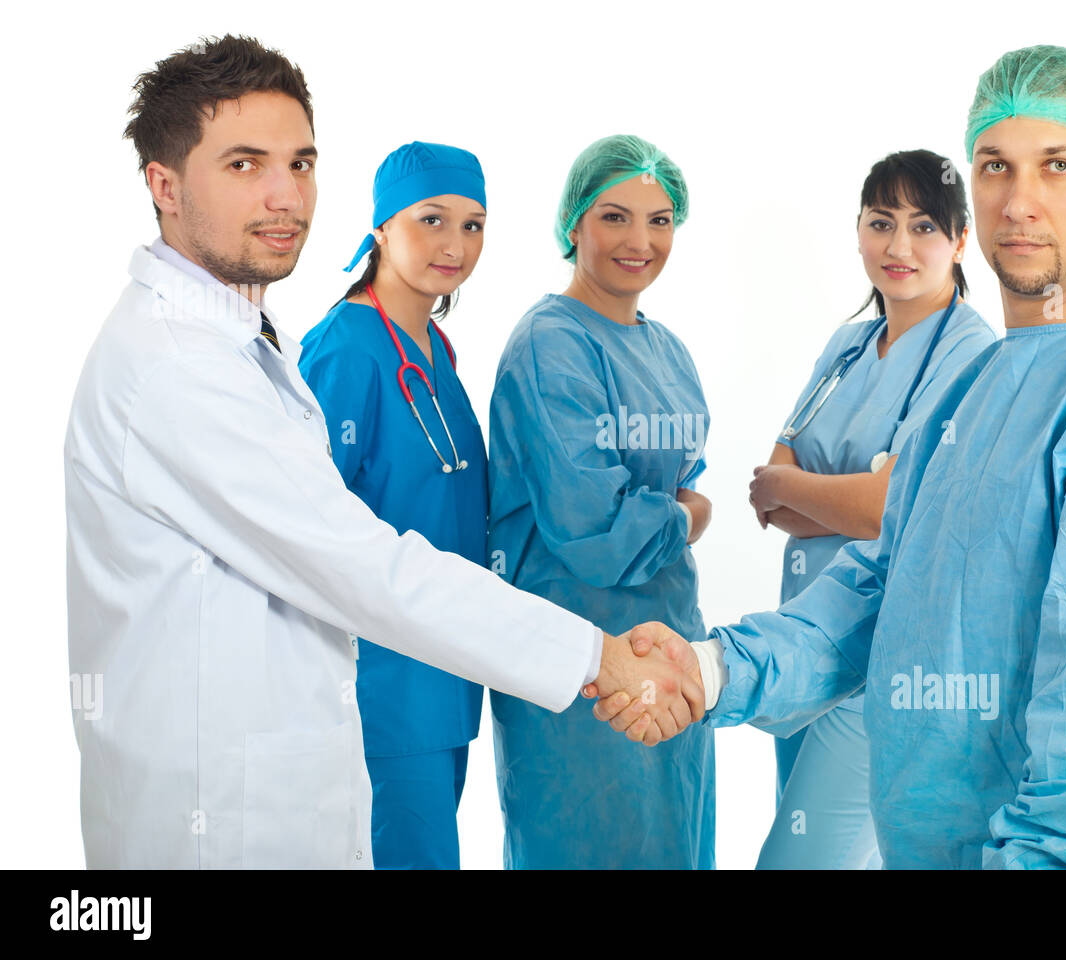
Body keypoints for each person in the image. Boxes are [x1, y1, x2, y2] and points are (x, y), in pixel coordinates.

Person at [590, 45, 1066, 870]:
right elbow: (883, 586)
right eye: (995, 167)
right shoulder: (978, 385)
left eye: (1058, 167)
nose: (1019, 203)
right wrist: (714, 668)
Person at [64, 35, 702, 870]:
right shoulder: (180, 370)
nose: (285, 195)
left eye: (301, 163)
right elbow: (360, 563)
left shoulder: (248, 343)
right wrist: (594, 654)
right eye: (245, 165)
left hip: (377, 715)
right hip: (229, 804)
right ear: (165, 185)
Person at [748, 150, 996, 869]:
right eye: (880, 222)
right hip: (803, 641)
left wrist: (827, 491)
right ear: (857, 230)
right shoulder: (847, 346)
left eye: (923, 226)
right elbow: (772, 489)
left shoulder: (973, 355)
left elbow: (892, 508)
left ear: (957, 239)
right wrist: (853, 494)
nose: (898, 246)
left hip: (884, 664)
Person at [488, 134, 715, 868]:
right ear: (573, 225)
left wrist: (675, 510)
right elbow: (595, 529)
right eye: (615, 217)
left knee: (674, 847)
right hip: (583, 666)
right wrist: (683, 515)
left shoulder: (668, 348)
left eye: (660, 219)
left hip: (675, 650)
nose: (640, 241)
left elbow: (683, 471)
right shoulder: (549, 345)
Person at [298, 142, 490, 869]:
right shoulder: (345, 352)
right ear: (381, 227)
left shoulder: (432, 345)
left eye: (474, 225)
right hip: (383, 683)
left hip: (449, 671)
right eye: (432, 219)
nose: (455, 245)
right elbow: (311, 531)